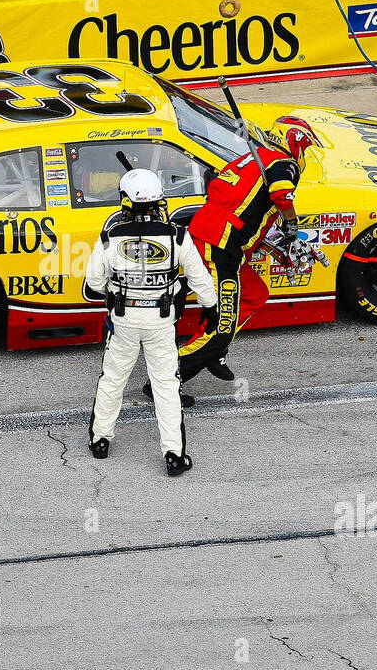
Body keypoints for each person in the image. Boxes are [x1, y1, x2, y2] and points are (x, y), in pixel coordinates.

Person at [85, 170, 218, 477]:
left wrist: (119, 290)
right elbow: (200, 279)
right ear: (160, 200)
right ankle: (173, 454)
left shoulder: (109, 238)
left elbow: (93, 284)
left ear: (124, 201)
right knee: (167, 387)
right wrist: (211, 310)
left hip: (124, 322)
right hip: (162, 323)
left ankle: (100, 441)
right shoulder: (178, 236)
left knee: (112, 381)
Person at [175, 120, 318, 390]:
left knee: (254, 294)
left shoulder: (252, 158)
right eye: (306, 150)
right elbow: (281, 194)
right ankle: (168, 380)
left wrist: (272, 247)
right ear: (296, 143)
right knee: (222, 327)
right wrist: (291, 223)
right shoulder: (284, 164)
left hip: (215, 236)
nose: (304, 157)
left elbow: (242, 206)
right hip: (220, 245)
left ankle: (215, 350)